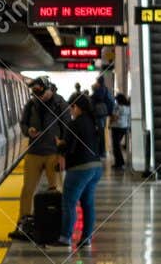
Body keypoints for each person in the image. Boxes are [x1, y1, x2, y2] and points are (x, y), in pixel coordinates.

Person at [10, 78, 67, 240]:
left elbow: (67, 128)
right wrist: (29, 131)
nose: (39, 97)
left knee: (56, 190)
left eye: (41, 93)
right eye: (36, 94)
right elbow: (23, 124)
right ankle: (24, 225)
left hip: (53, 153)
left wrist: (62, 154)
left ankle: (58, 226)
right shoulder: (31, 104)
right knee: (27, 190)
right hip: (34, 152)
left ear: (49, 89)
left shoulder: (60, 103)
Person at [57, 91, 105, 248]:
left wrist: (59, 144)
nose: (71, 111)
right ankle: (86, 239)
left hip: (80, 168)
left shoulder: (75, 123)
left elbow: (69, 148)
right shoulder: (94, 122)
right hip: (96, 167)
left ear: (76, 106)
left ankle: (65, 238)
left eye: (72, 108)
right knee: (88, 203)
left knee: (69, 202)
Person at [111, 92, 131, 170]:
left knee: (115, 146)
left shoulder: (117, 107)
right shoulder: (128, 107)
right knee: (117, 145)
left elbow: (114, 117)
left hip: (116, 127)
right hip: (124, 127)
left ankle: (119, 163)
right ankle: (119, 162)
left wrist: (110, 123)